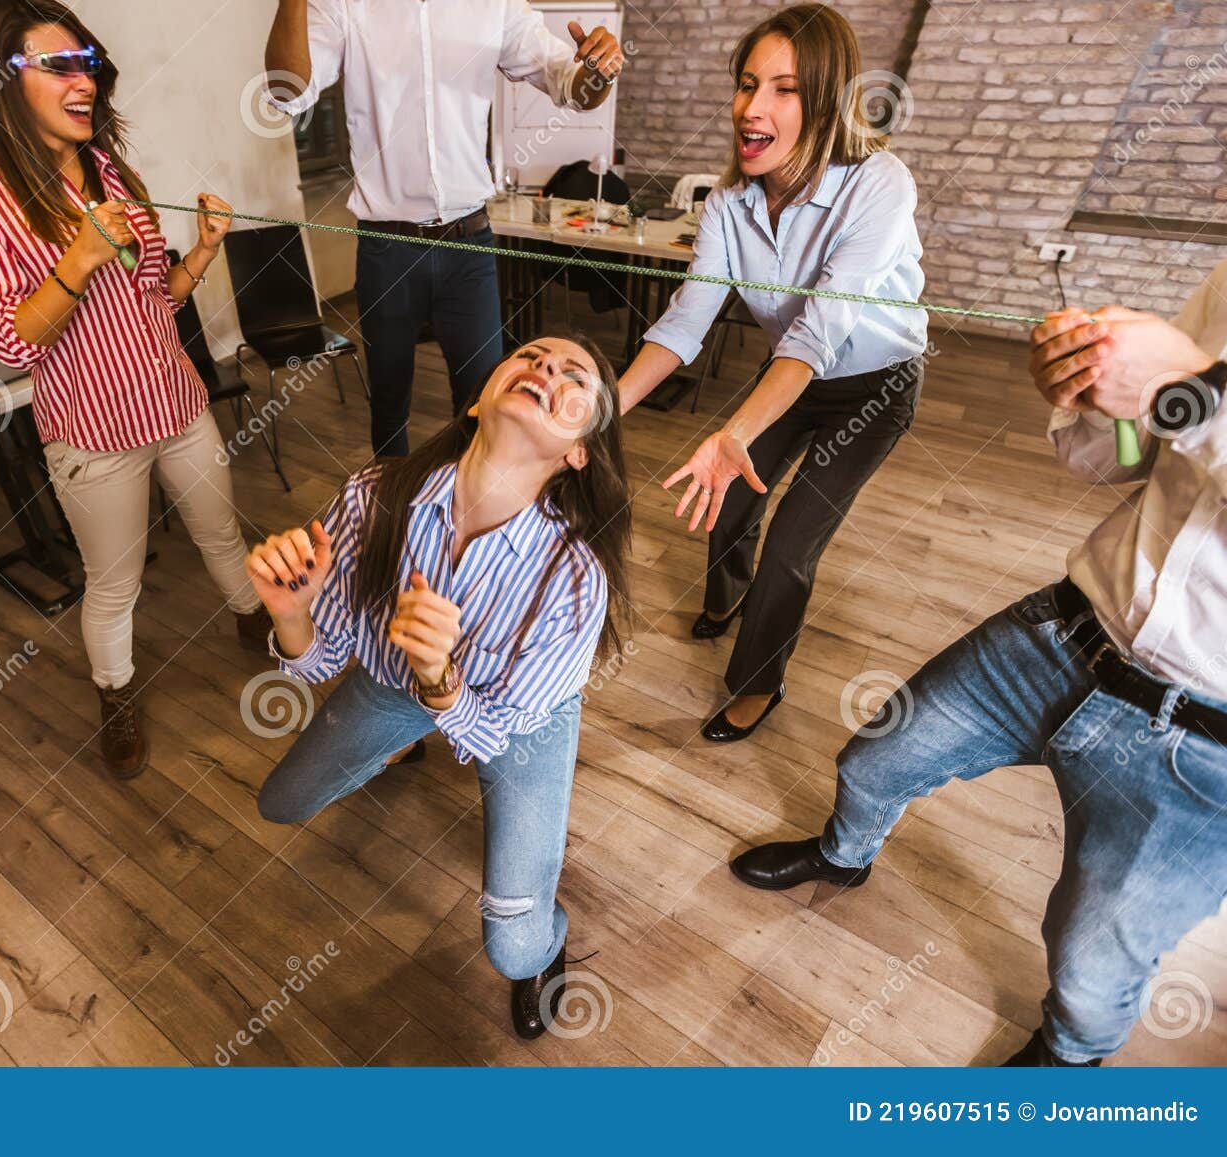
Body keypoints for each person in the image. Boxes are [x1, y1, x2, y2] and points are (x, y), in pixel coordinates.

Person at [731, 256, 1227, 1067]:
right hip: (1069, 632)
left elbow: (1199, 402)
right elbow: (1122, 461)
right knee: (877, 757)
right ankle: (844, 856)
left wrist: (1195, 388)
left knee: (1091, 964)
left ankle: (1069, 1057)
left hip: (1208, 748)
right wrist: (1101, 398)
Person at [249, 334, 631, 1040]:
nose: (545, 368)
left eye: (573, 375)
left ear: (578, 450)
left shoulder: (576, 580)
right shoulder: (374, 496)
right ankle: (404, 740)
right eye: (530, 356)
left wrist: (443, 682)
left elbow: (504, 726)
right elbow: (322, 655)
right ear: (475, 400)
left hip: (520, 718)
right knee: (280, 802)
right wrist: (292, 614)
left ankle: (549, 941)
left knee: (513, 946)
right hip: (400, 687)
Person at [0, 0, 269, 780]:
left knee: (222, 536)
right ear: (3, 82)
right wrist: (80, 258)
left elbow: (156, 300)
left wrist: (204, 254)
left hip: (177, 404)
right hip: (91, 431)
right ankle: (115, 694)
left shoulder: (111, 172)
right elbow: (13, 342)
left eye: (86, 62)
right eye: (58, 64)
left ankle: (259, 628)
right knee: (115, 582)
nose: (82, 77)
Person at [615, 4, 927, 743]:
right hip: (793, 374)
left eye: (784, 89)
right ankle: (725, 601)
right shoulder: (728, 203)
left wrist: (734, 430)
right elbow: (688, 320)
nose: (752, 109)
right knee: (729, 509)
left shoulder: (880, 184)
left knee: (791, 543)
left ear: (828, 98)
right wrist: (606, 407)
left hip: (874, 386)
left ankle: (759, 682)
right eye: (748, 84)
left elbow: (820, 331)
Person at [263, 0, 625, 457]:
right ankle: (391, 519)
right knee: (389, 410)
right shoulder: (344, 4)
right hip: (387, 248)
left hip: (468, 246)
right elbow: (287, 94)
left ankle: (471, 516)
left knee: (482, 403)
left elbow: (574, 88)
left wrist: (600, 70)